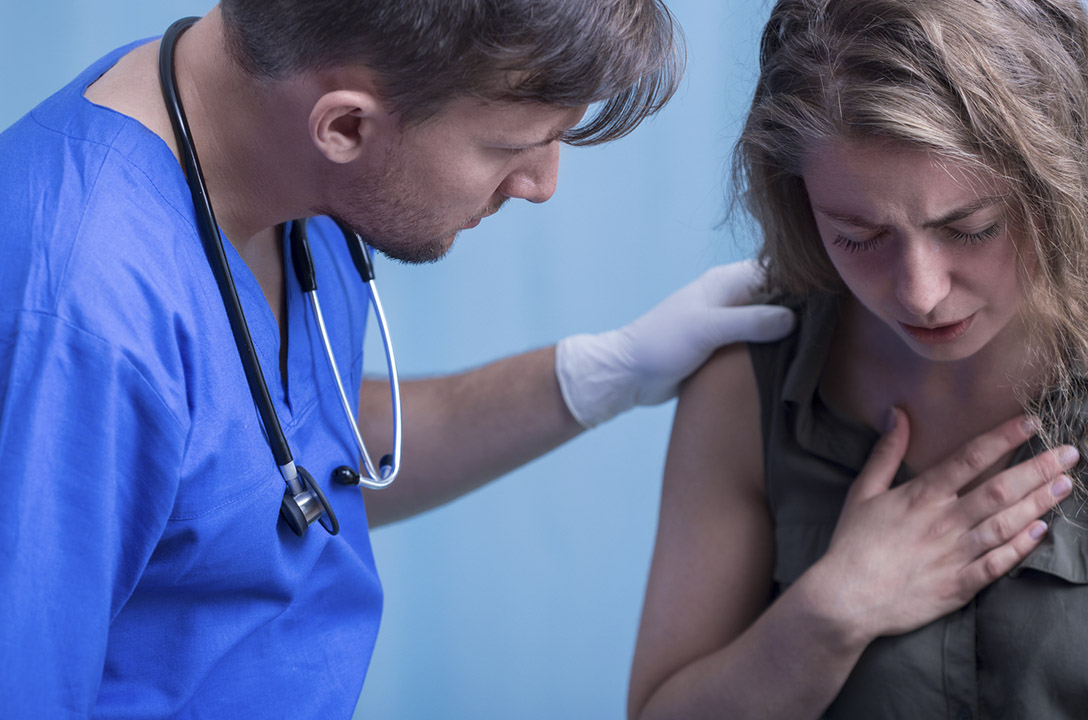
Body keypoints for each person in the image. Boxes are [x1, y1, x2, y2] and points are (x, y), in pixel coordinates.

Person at [0, 1, 797, 717]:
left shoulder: (252, 121)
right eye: (512, 146)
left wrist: (600, 375)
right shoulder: (77, 319)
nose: (542, 183)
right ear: (344, 126)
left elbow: (275, 452)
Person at [628, 0, 1088, 718]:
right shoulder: (742, 389)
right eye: (859, 236)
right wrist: (826, 617)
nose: (920, 293)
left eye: (971, 228)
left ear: (1058, 185)